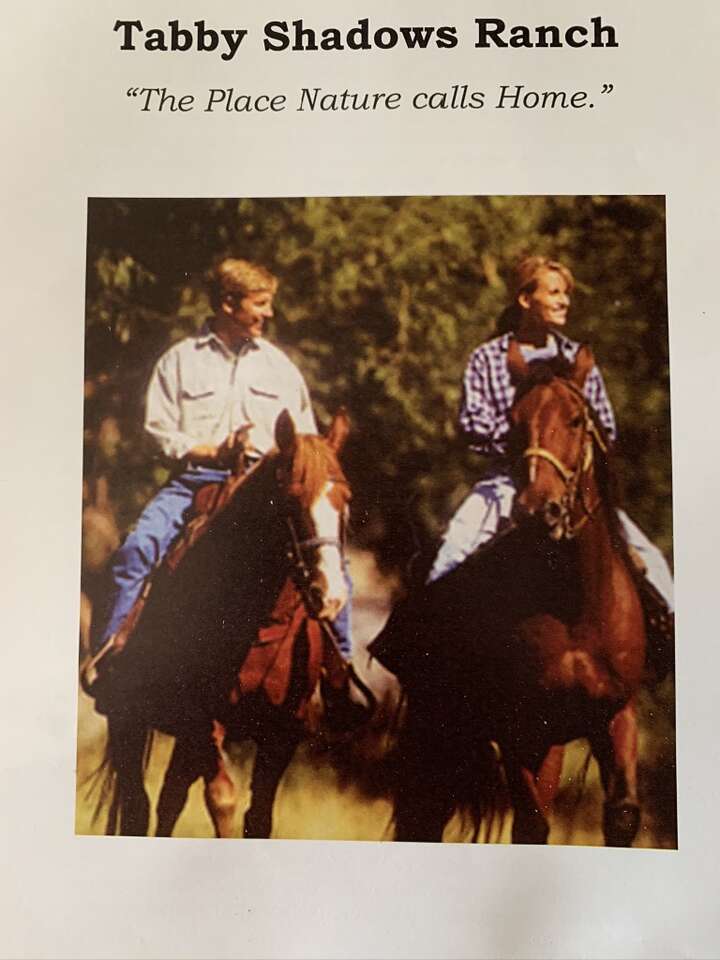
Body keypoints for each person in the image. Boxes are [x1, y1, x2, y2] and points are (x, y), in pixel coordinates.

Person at [88, 257, 352, 664]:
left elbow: (304, 441)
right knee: (136, 551)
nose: (269, 313)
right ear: (229, 304)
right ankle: (110, 659)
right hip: (196, 481)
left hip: (265, 484)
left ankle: (341, 671)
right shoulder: (179, 361)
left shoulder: (280, 367)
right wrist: (212, 450)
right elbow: (159, 431)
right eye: (260, 303)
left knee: (328, 558)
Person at [428, 255, 674, 630]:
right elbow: (472, 423)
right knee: (452, 551)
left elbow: (606, 425)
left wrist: (567, 448)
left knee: (650, 561)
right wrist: (525, 442)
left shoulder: (577, 358)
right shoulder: (486, 358)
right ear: (526, 300)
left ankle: (674, 641)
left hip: (573, 483)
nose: (564, 301)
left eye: (567, 294)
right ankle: (427, 640)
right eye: (554, 292)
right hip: (508, 482)